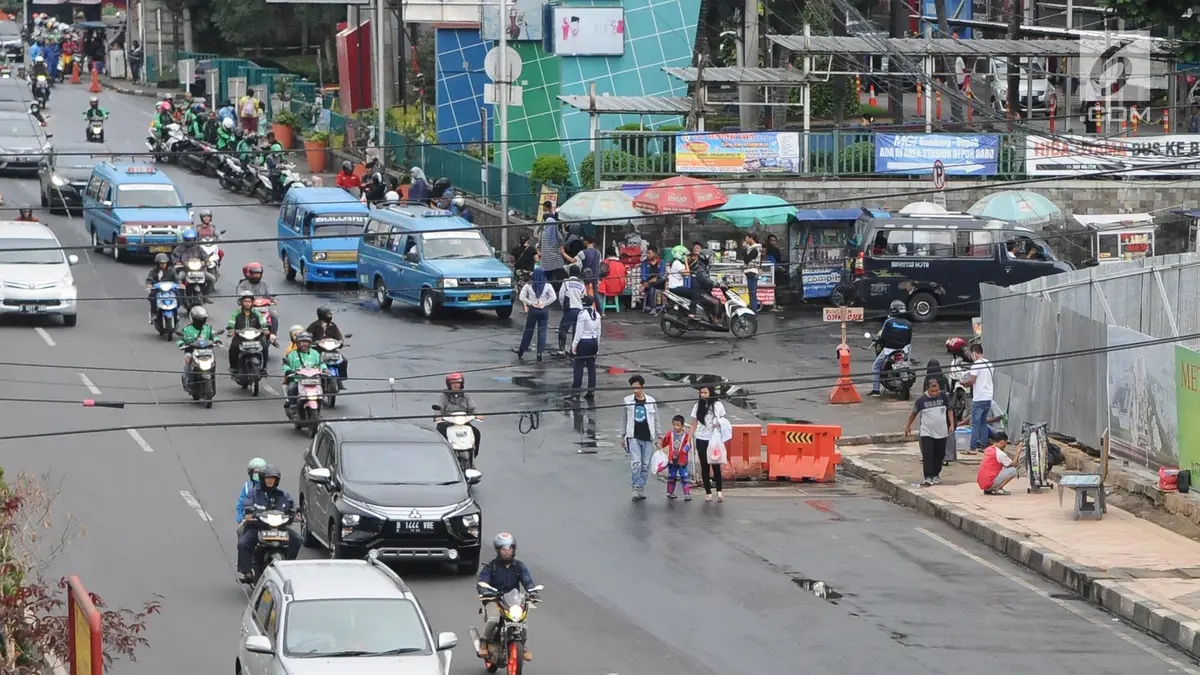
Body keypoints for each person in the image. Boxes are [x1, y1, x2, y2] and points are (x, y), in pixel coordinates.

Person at [476, 532, 535, 662]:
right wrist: (485, 591)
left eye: (510, 549)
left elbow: (527, 581)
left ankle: (523, 647)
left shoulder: (520, 566)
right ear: (498, 550)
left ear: (514, 549)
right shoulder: (491, 567)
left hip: (513, 600)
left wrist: (532, 591)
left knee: (522, 621)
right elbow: (482, 582)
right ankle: (484, 642)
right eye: (504, 549)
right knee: (493, 620)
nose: (507, 552)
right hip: (495, 599)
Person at [236, 465, 300, 583]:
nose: (270, 481)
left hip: (279, 528)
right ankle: (247, 572)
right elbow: (247, 505)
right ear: (262, 479)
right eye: (268, 478)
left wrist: (295, 513)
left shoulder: (283, 495)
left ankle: (289, 566)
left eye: (273, 478)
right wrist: (249, 513)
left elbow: (293, 506)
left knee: (297, 539)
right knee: (243, 543)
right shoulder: (254, 493)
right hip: (258, 527)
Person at [904, 377, 954, 486]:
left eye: (937, 390)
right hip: (927, 432)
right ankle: (928, 476)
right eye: (932, 391)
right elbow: (914, 413)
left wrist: (951, 424)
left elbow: (949, 410)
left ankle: (936, 474)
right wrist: (908, 426)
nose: (935, 393)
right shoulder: (921, 400)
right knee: (928, 454)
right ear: (927, 389)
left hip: (942, 431)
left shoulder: (944, 397)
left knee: (939, 454)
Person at [621, 375, 659, 501]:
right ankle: (635, 487)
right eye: (633, 388)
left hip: (648, 437)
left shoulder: (651, 401)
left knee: (645, 465)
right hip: (633, 437)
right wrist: (623, 436)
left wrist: (658, 436)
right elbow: (624, 419)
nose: (635, 390)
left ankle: (641, 486)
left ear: (642, 387)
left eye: (637, 387)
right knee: (636, 463)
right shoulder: (627, 401)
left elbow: (656, 420)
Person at [689, 385, 726, 502]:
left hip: (714, 439)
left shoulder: (718, 405)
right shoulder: (697, 406)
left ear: (711, 392)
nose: (703, 395)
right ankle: (708, 492)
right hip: (701, 438)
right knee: (704, 466)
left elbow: (724, 421)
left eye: (705, 392)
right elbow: (694, 424)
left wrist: (719, 424)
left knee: (716, 465)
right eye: (701, 393)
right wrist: (689, 437)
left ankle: (719, 491)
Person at [870, 300, 913, 396]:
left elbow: (883, 337)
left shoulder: (888, 322)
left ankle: (875, 391)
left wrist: (880, 342)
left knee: (876, 366)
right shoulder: (908, 324)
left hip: (889, 350)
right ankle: (908, 367)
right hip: (903, 350)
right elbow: (909, 340)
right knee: (909, 349)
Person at [513, 268, 555, 362]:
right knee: (542, 331)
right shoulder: (548, 285)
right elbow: (553, 297)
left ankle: (521, 351)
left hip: (533, 310)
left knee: (528, 331)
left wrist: (531, 303)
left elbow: (521, 297)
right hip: (543, 310)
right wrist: (544, 303)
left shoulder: (528, 285)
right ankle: (539, 353)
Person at [227, 291, 273, 374]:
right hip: (240, 337)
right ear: (241, 302)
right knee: (233, 348)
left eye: (249, 301)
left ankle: (264, 368)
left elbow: (263, 322)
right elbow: (231, 323)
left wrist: (265, 329)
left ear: (252, 302)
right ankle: (234, 368)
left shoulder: (256, 313)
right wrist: (231, 331)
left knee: (265, 347)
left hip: (256, 337)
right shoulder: (236, 313)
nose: (247, 304)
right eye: (245, 301)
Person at [436, 373, 481, 452]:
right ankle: (445, 454)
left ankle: (474, 453)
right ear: (449, 385)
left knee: (476, 433)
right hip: (447, 422)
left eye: (458, 383)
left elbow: (472, 408)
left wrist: (477, 414)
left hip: (463, 422)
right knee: (440, 435)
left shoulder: (466, 396)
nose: (456, 385)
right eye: (453, 383)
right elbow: (438, 408)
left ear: (461, 384)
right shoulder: (444, 396)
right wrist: (438, 417)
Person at [281, 332, 327, 411]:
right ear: (298, 343)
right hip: (297, 380)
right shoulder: (292, 354)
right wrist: (288, 371)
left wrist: (324, 369)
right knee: (292, 388)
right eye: (302, 342)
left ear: (310, 343)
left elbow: (321, 363)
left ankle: (319, 405)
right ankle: (293, 408)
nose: (304, 344)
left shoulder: (315, 354)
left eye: (306, 342)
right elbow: (286, 365)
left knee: (323, 385)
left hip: (314, 381)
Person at [963, 343, 994, 454]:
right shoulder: (989, 364)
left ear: (974, 353)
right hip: (988, 397)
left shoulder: (976, 364)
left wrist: (964, 384)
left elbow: (972, 380)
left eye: (972, 354)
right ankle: (984, 446)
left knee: (975, 423)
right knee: (983, 422)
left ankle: (973, 448)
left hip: (979, 397)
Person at [177, 306, 217, 387]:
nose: (200, 321)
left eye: (202, 319)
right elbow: (180, 339)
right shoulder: (187, 329)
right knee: (188, 360)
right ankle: (189, 381)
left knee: (213, 362)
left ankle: (213, 381)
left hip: (206, 351)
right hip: (191, 351)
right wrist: (181, 344)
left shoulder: (208, 327)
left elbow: (214, 335)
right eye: (198, 319)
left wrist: (217, 340)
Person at [172, 228, 215, 303]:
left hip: (199, 270)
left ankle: (205, 295)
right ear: (184, 239)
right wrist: (177, 263)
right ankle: (179, 298)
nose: (190, 241)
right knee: (178, 279)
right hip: (185, 270)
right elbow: (174, 258)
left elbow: (205, 257)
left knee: (212, 278)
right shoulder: (179, 248)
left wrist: (206, 261)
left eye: (192, 239)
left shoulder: (199, 248)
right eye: (188, 239)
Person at [307, 305, 348, 384]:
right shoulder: (314, 326)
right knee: (313, 363)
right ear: (322, 315)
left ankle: (340, 380)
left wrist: (341, 342)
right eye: (328, 314)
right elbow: (307, 336)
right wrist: (313, 343)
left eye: (331, 314)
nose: (330, 316)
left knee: (344, 361)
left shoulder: (333, 326)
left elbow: (338, 337)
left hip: (331, 349)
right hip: (318, 350)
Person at [570, 295, 601, 398]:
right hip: (594, 341)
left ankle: (576, 390)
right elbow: (599, 332)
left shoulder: (582, 315)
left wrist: (574, 345)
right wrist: (598, 346)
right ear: (593, 303)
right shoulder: (597, 315)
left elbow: (578, 332)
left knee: (578, 366)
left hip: (583, 342)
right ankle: (591, 390)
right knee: (591, 367)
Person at [661, 414, 693, 501]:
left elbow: (689, 445)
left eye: (678, 425)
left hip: (682, 460)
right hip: (672, 460)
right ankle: (670, 492)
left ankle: (687, 494)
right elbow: (664, 443)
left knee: (684, 477)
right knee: (672, 477)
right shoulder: (670, 434)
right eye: (674, 425)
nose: (676, 427)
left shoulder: (686, 436)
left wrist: (686, 448)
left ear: (682, 426)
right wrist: (660, 442)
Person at [536, 207, 570, 288]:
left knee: (546, 281)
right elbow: (563, 243)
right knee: (557, 282)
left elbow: (539, 245)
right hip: (556, 262)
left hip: (545, 262)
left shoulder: (542, 233)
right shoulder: (557, 234)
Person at [689, 249, 720, 324]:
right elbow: (704, 280)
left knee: (717, 297)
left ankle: (710, 317)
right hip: (700, 292)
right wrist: (714, 283)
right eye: (709, 258)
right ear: (704, 258)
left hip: (703, 290)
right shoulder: (700, 268)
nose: (710, 260)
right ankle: (714, 320)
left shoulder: (703, 267)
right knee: (715, 302)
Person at [557, 271, 586, 352]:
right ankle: (574, 350)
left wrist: (563, 306)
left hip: (569, 309)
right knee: (576, 331)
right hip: (579, 310)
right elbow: (583, 297)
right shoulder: (582, 285)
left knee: (563, 329)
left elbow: (561, 296)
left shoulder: (566, 282)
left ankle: (562, 350)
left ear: (569, 273)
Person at [237, 457, 269, 525]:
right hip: (253, 520)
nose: (258, 474)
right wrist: (241, 518)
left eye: (260, 472)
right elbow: (241, 504)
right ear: (251, 473)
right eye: (256, 472)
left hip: (269, 520)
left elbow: (282, 498)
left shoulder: (270, 485)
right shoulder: (247, 487)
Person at [145, 252, 174, 322]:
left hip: (170, 289)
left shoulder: (171, 270)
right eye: (161, 263)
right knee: (152, 297)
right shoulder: (153, 271)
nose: (163, 265)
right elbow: (150, 278)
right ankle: (153, 313)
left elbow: (176, 278)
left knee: (179, 296)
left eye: (164, 263)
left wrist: (179, 283)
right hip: (158, 289)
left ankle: (175, 310)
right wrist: (149, 283)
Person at [597, 245, 626, 314]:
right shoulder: (621, 264)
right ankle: (610, 301)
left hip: (609, 287)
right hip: (620, 287)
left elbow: (601, 273)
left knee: (597, 288)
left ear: (607, 255)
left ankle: (600, 309)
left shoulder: (606, 262)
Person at [640, 246, 666, 314]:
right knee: (652, 288)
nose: (647, 255)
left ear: (655, 254)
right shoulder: (644, 263)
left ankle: (653, 308)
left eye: (649, 253)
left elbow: (661, 274)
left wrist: (651, 281)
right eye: (647, 253)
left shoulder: (662, 262)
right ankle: (653, 308)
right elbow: (643, 275)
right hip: (647, 284)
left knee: (661, 279)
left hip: (659, 283)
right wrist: (646, 281)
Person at [742, 233, 763, 312]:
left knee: (752, 293)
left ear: (751, 239)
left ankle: (754, 311)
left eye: (746, 238)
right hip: (751, 272)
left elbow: (746, 259)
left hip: (752, 272)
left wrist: (745, 249)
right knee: (751, 293)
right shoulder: (753, 248)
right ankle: (753, 310)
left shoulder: (754, 249)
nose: (745, 240)